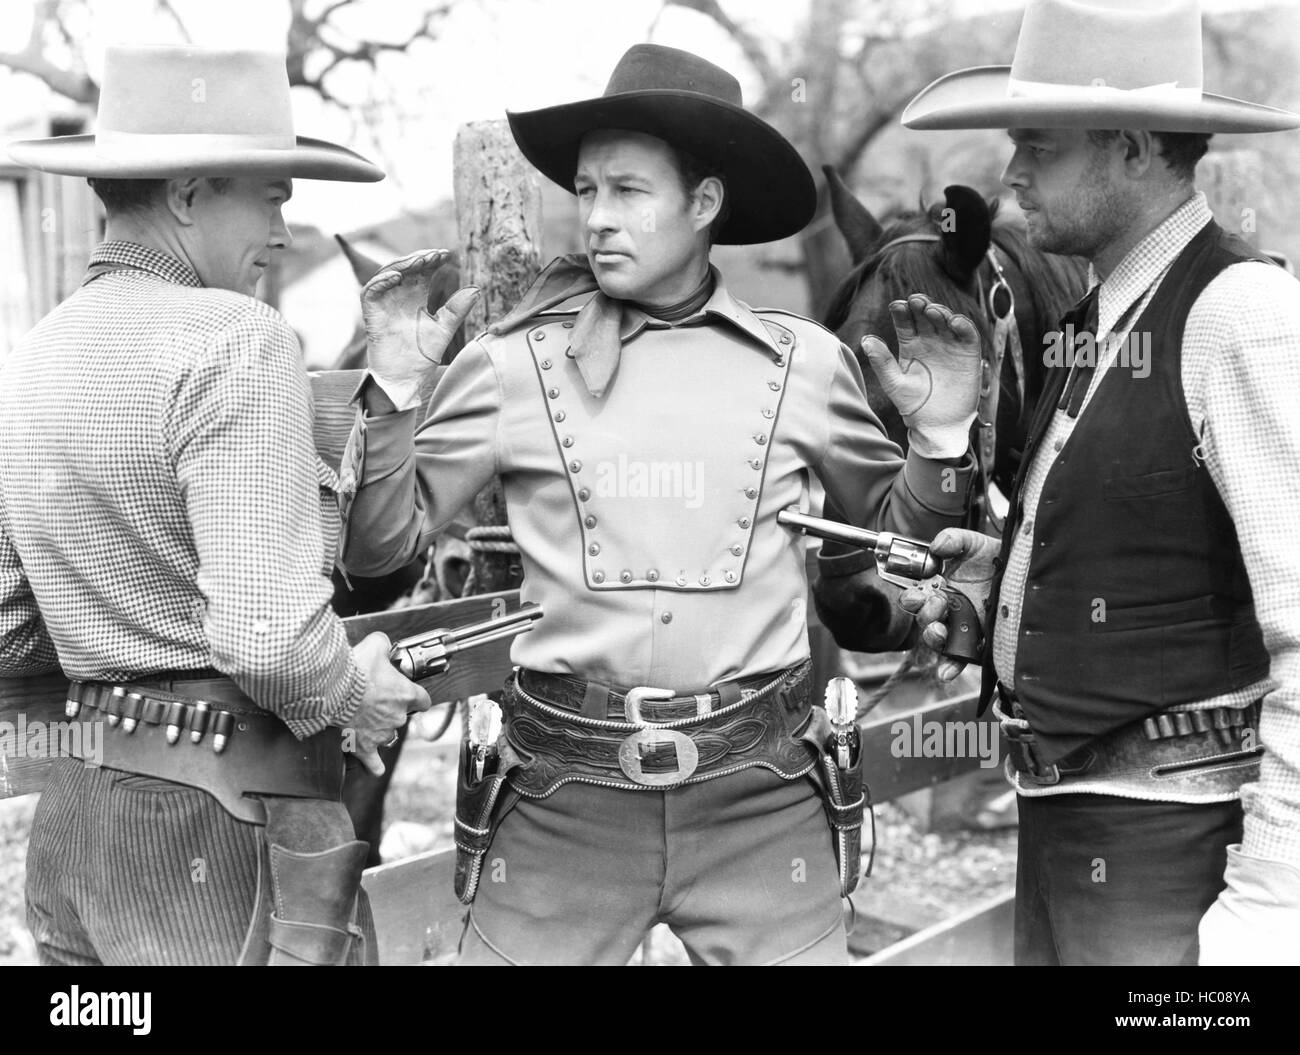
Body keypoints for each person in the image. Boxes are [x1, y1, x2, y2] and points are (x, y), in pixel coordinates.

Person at [340, 43, 983, 965]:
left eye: (628, 191)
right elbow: (377, 554)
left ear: (706, 204)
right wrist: (396, 391)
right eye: (587, 190)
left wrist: (941, 441)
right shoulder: (509, 367)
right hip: (562, 806)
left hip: (761, 803)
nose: (597, 217)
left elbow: (893, 543)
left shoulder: (804, 365)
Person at [0, 45, 445, 965]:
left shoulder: (30, 359)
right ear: (190, 196)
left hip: (78, 822)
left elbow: (9, 631)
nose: (285, 231)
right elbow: (273, 641)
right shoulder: (236, 338)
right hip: (229, 824)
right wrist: (355, 693)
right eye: (273, 197)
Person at [897, 0, 1300, 965]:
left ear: (1128, 148)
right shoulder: (1101, 319)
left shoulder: (1237, 312)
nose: (1011, 176)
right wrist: (1014, 583)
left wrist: (1270, 902)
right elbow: (1157, 532)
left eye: (1039, 146)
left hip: (1173, 852)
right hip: (1072, 831)